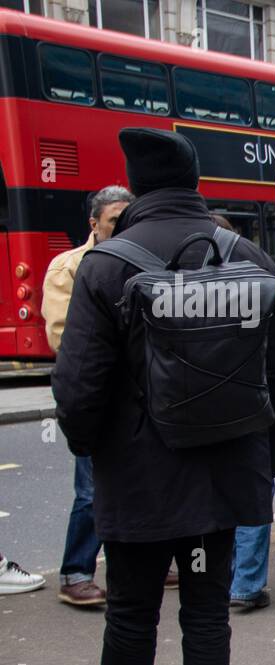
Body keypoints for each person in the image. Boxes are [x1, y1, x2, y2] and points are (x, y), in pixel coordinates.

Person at [52, 128, 275, 665]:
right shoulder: (249, 257)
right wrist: (265, 463)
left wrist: (96, 451)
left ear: (137, 186)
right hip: (221, 478)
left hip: (138, 480)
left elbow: (77, 390)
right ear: (193, 182)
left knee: (130, 614)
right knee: (206, 615)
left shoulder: (107, 265)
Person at [42, 185, 134, 608]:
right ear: (93, 223)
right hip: (97, 394)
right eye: (114, 219)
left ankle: (131, 567)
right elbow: (63, 336)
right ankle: (75, 572)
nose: (121, 225)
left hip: (138, 394)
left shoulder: (140, 258)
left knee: (140, 482)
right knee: (91, 488)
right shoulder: (68, 267)